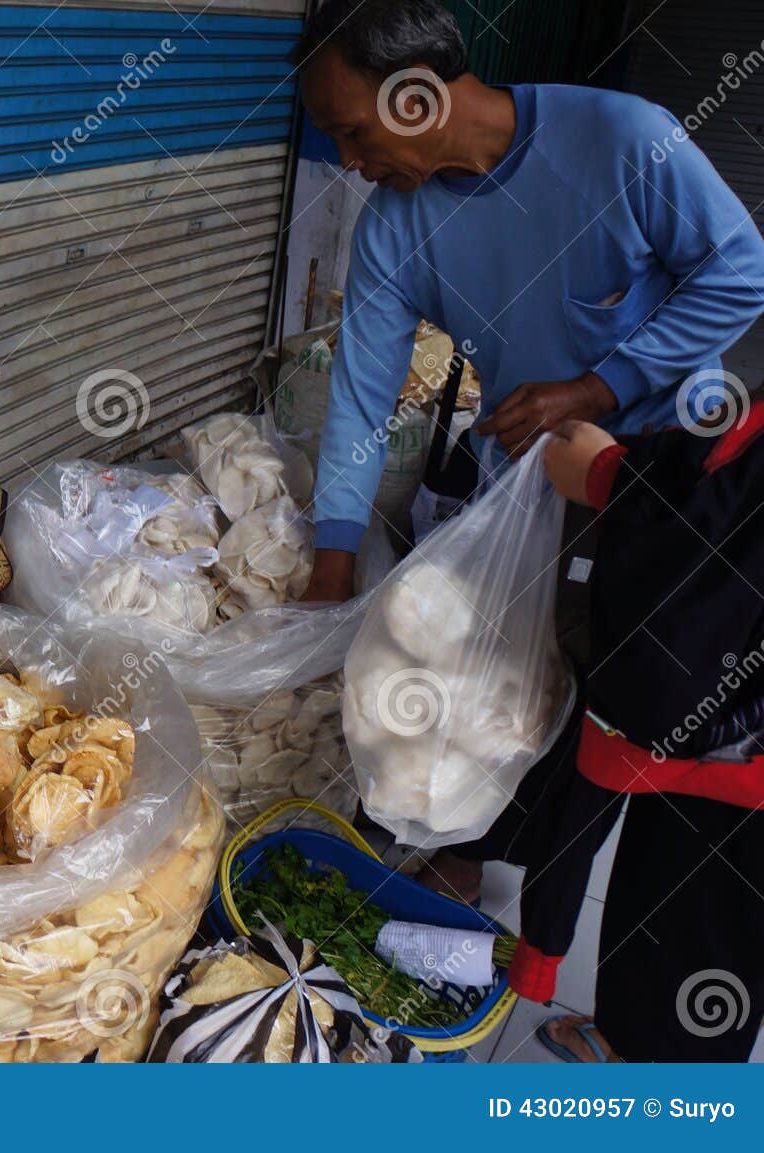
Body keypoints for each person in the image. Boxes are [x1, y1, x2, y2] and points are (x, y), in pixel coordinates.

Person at [290, 0, 764, 901]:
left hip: (663, 474)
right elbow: (361, 389)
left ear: (418, 98)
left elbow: (740, 272)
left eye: (350, 133)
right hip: (528, 477)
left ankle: (566, 885)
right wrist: (332, 564)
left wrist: (596, 387)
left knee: (636, 678)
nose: (348, 162)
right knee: (501, 665)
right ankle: (467, 847)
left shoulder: (624, 140)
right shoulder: (395, 225)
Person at [504, 416, 764, 1063]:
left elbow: (721, 530)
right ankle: (627, 1038)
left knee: (699, 919)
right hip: (735, 741)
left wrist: (609, 476)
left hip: (733, 756)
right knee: (682, 921)